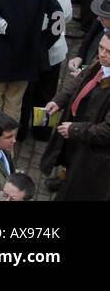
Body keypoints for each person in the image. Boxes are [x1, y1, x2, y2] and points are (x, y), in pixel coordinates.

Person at [40, 31, 110, 200]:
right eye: (101, 48)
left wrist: (74, 129)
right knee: (70, 167)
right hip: (78, 136)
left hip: (93, 151)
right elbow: (79, 81)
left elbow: (107, 131)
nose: (102, 54)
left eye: (108, 51)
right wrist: (59, 101)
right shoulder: (100, 65)